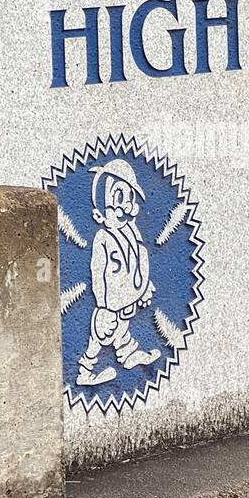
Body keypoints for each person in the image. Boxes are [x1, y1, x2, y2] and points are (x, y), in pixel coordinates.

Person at [76, 159, 161, 387]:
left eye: (129, 198)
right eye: (120, 196)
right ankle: (86, 368)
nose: (127, 206)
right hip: (110, 300)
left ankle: (127, 353)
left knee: (123, 323)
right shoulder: (103, 237)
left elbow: (138, 258)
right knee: (101, 333)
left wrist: (143, 286)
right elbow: (98, 274)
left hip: (128, 295)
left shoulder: (131, 230)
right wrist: (103, 306)